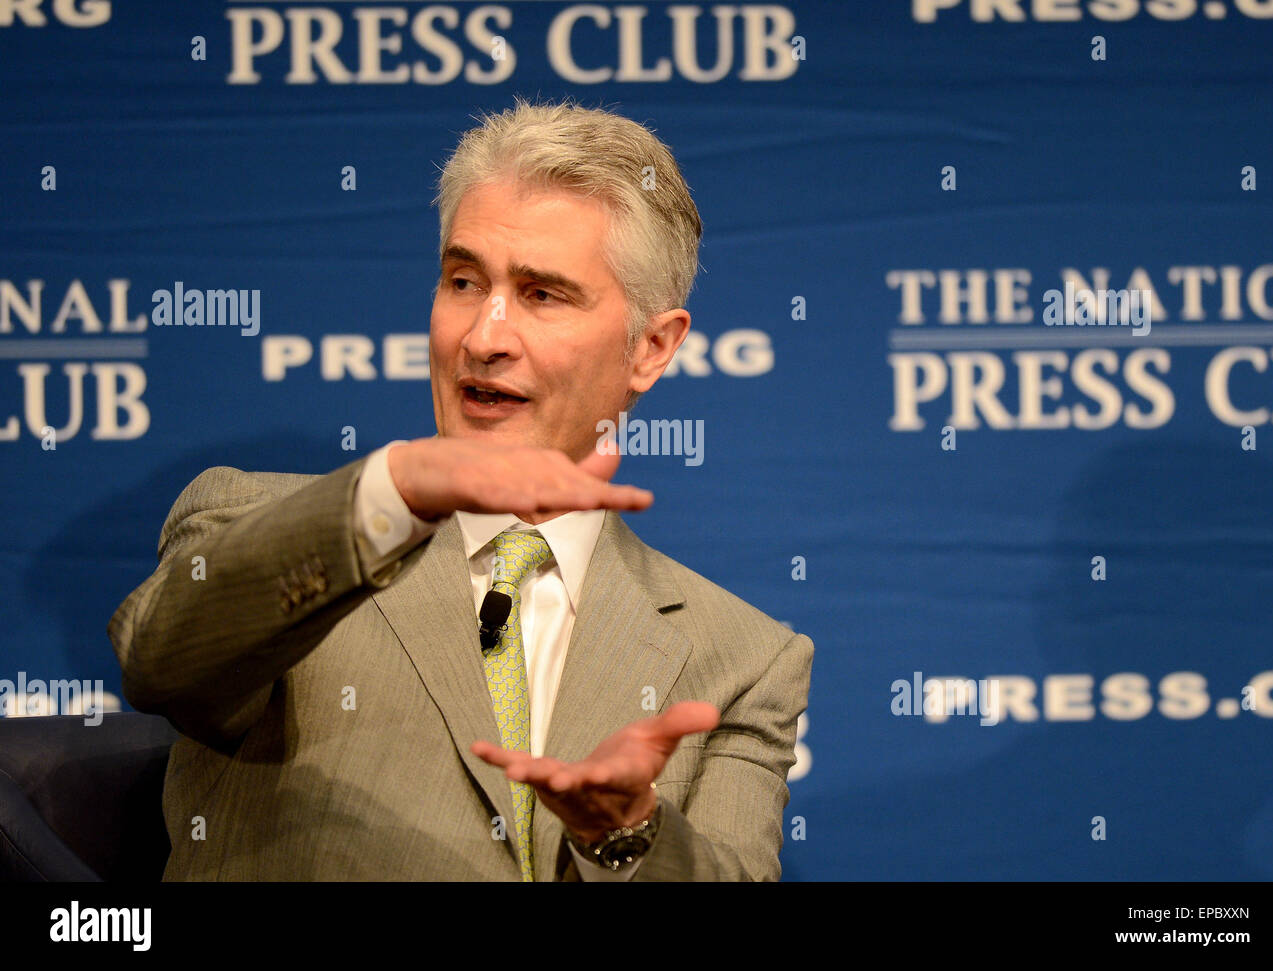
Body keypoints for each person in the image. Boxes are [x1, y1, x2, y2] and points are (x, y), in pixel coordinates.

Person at [109, 97, 813, 882]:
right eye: (464, 281)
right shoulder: (261, 521)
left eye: (542, 294)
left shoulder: (746, 658)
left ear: (651, 348)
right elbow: (159, 658)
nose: (483, 337)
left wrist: (628, 833)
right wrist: (398, 489)